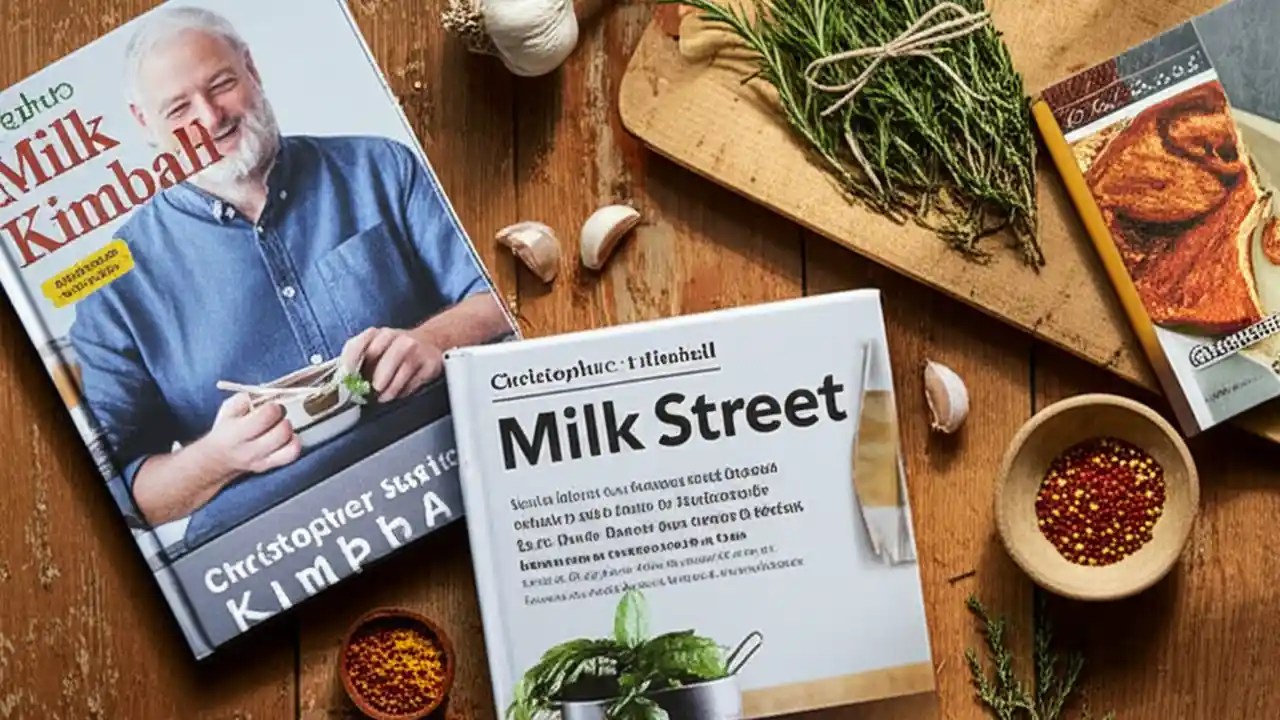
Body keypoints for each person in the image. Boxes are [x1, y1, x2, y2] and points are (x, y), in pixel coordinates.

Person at [69, 6, 513, 550]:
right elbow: (122, 492)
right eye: (179, 107)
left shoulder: (381, 166)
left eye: (221, 84)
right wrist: (217, 459)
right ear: (145, 124)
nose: (209, 119)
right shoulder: (112, 288)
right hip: (273, 546)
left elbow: (501, 298)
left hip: (451, 463)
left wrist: (433, 341)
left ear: (252, 70)